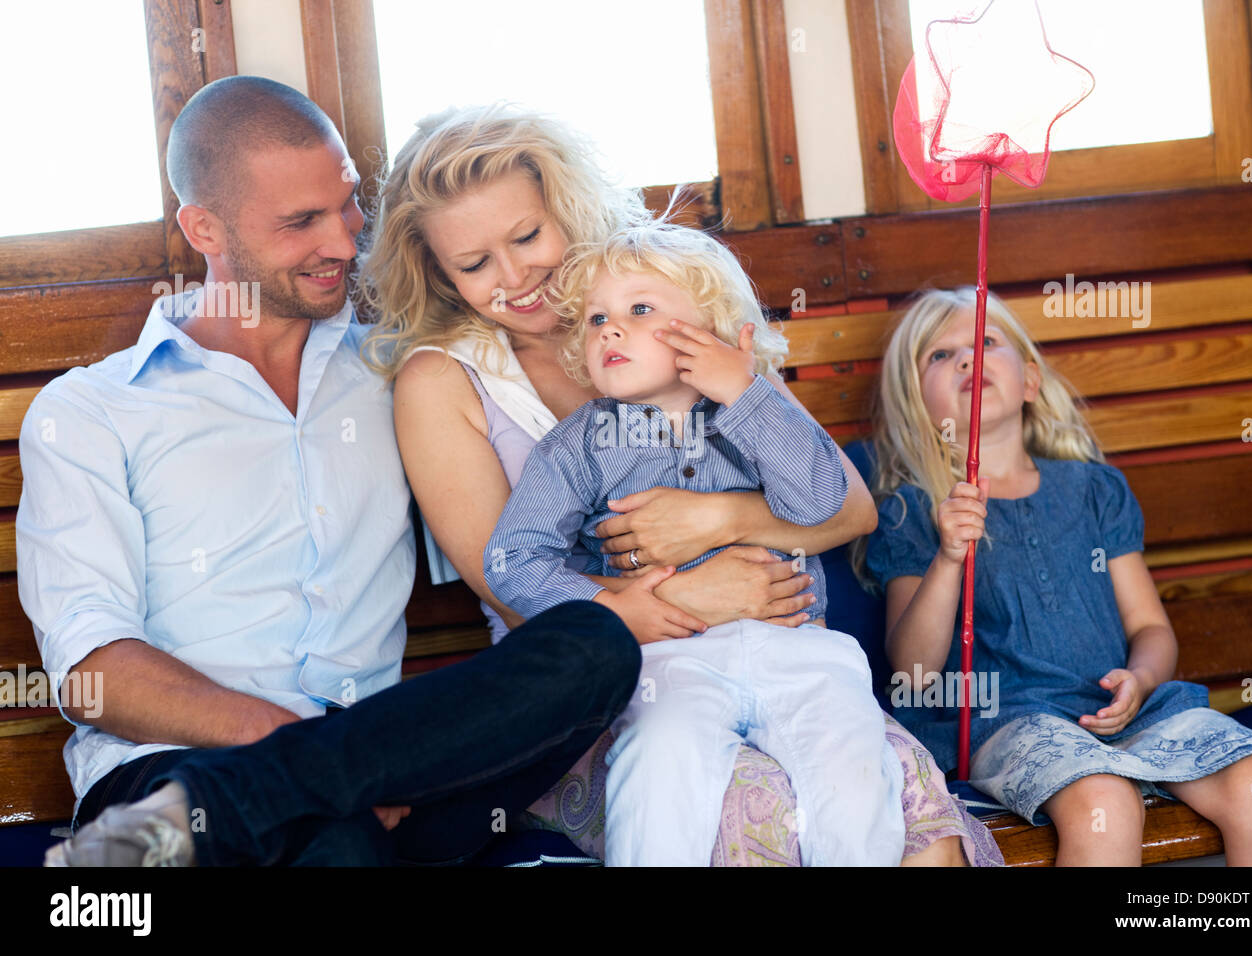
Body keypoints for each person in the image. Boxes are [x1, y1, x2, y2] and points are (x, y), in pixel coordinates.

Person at [24, 75, 640, 867]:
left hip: (406, 773)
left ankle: (109, 874)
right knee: (336, 842)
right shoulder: (92, 412)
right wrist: (319, 756)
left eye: (348, 203)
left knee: (592, 643)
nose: (347, 242)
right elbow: (94, 677)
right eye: (301, 222)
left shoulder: (402, 376)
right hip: (180, 780)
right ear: (205, 228)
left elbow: (528, 552)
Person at [360, 105, 1001, 866]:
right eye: (474, 264)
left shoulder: (672, 312)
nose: (515, 276)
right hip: (600, 682)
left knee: (916, 829)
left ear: (565, 210)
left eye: (528, 237)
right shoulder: (444, 381)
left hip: (780, 653)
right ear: (438, 272)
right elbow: (509, 581)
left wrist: (716, 520)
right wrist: (684, 599)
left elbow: (848, 511)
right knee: (746, 819)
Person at [484, 220, 906, 865]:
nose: (610, 330)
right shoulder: (578, 444)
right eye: (597, 318)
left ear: (716, 333)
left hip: (799, 645)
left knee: (852, 770)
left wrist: (743, 389)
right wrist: (617, 609)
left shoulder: (762, 410)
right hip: (664, 659)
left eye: (640, 310)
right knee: (659, 765)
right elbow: (514, 558)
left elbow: (823, 502)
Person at [860, 286, 1252, 866]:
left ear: (1031, 382)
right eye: (940, 356)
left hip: (1132, 713)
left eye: (985, 342)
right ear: (914, 400)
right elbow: (916, 674)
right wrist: (948, 558)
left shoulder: (1093, 489)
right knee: (1104, 803)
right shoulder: (914, 509)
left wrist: (1141, 679)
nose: (967, 358)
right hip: (1008, 723)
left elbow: (1150, 627)